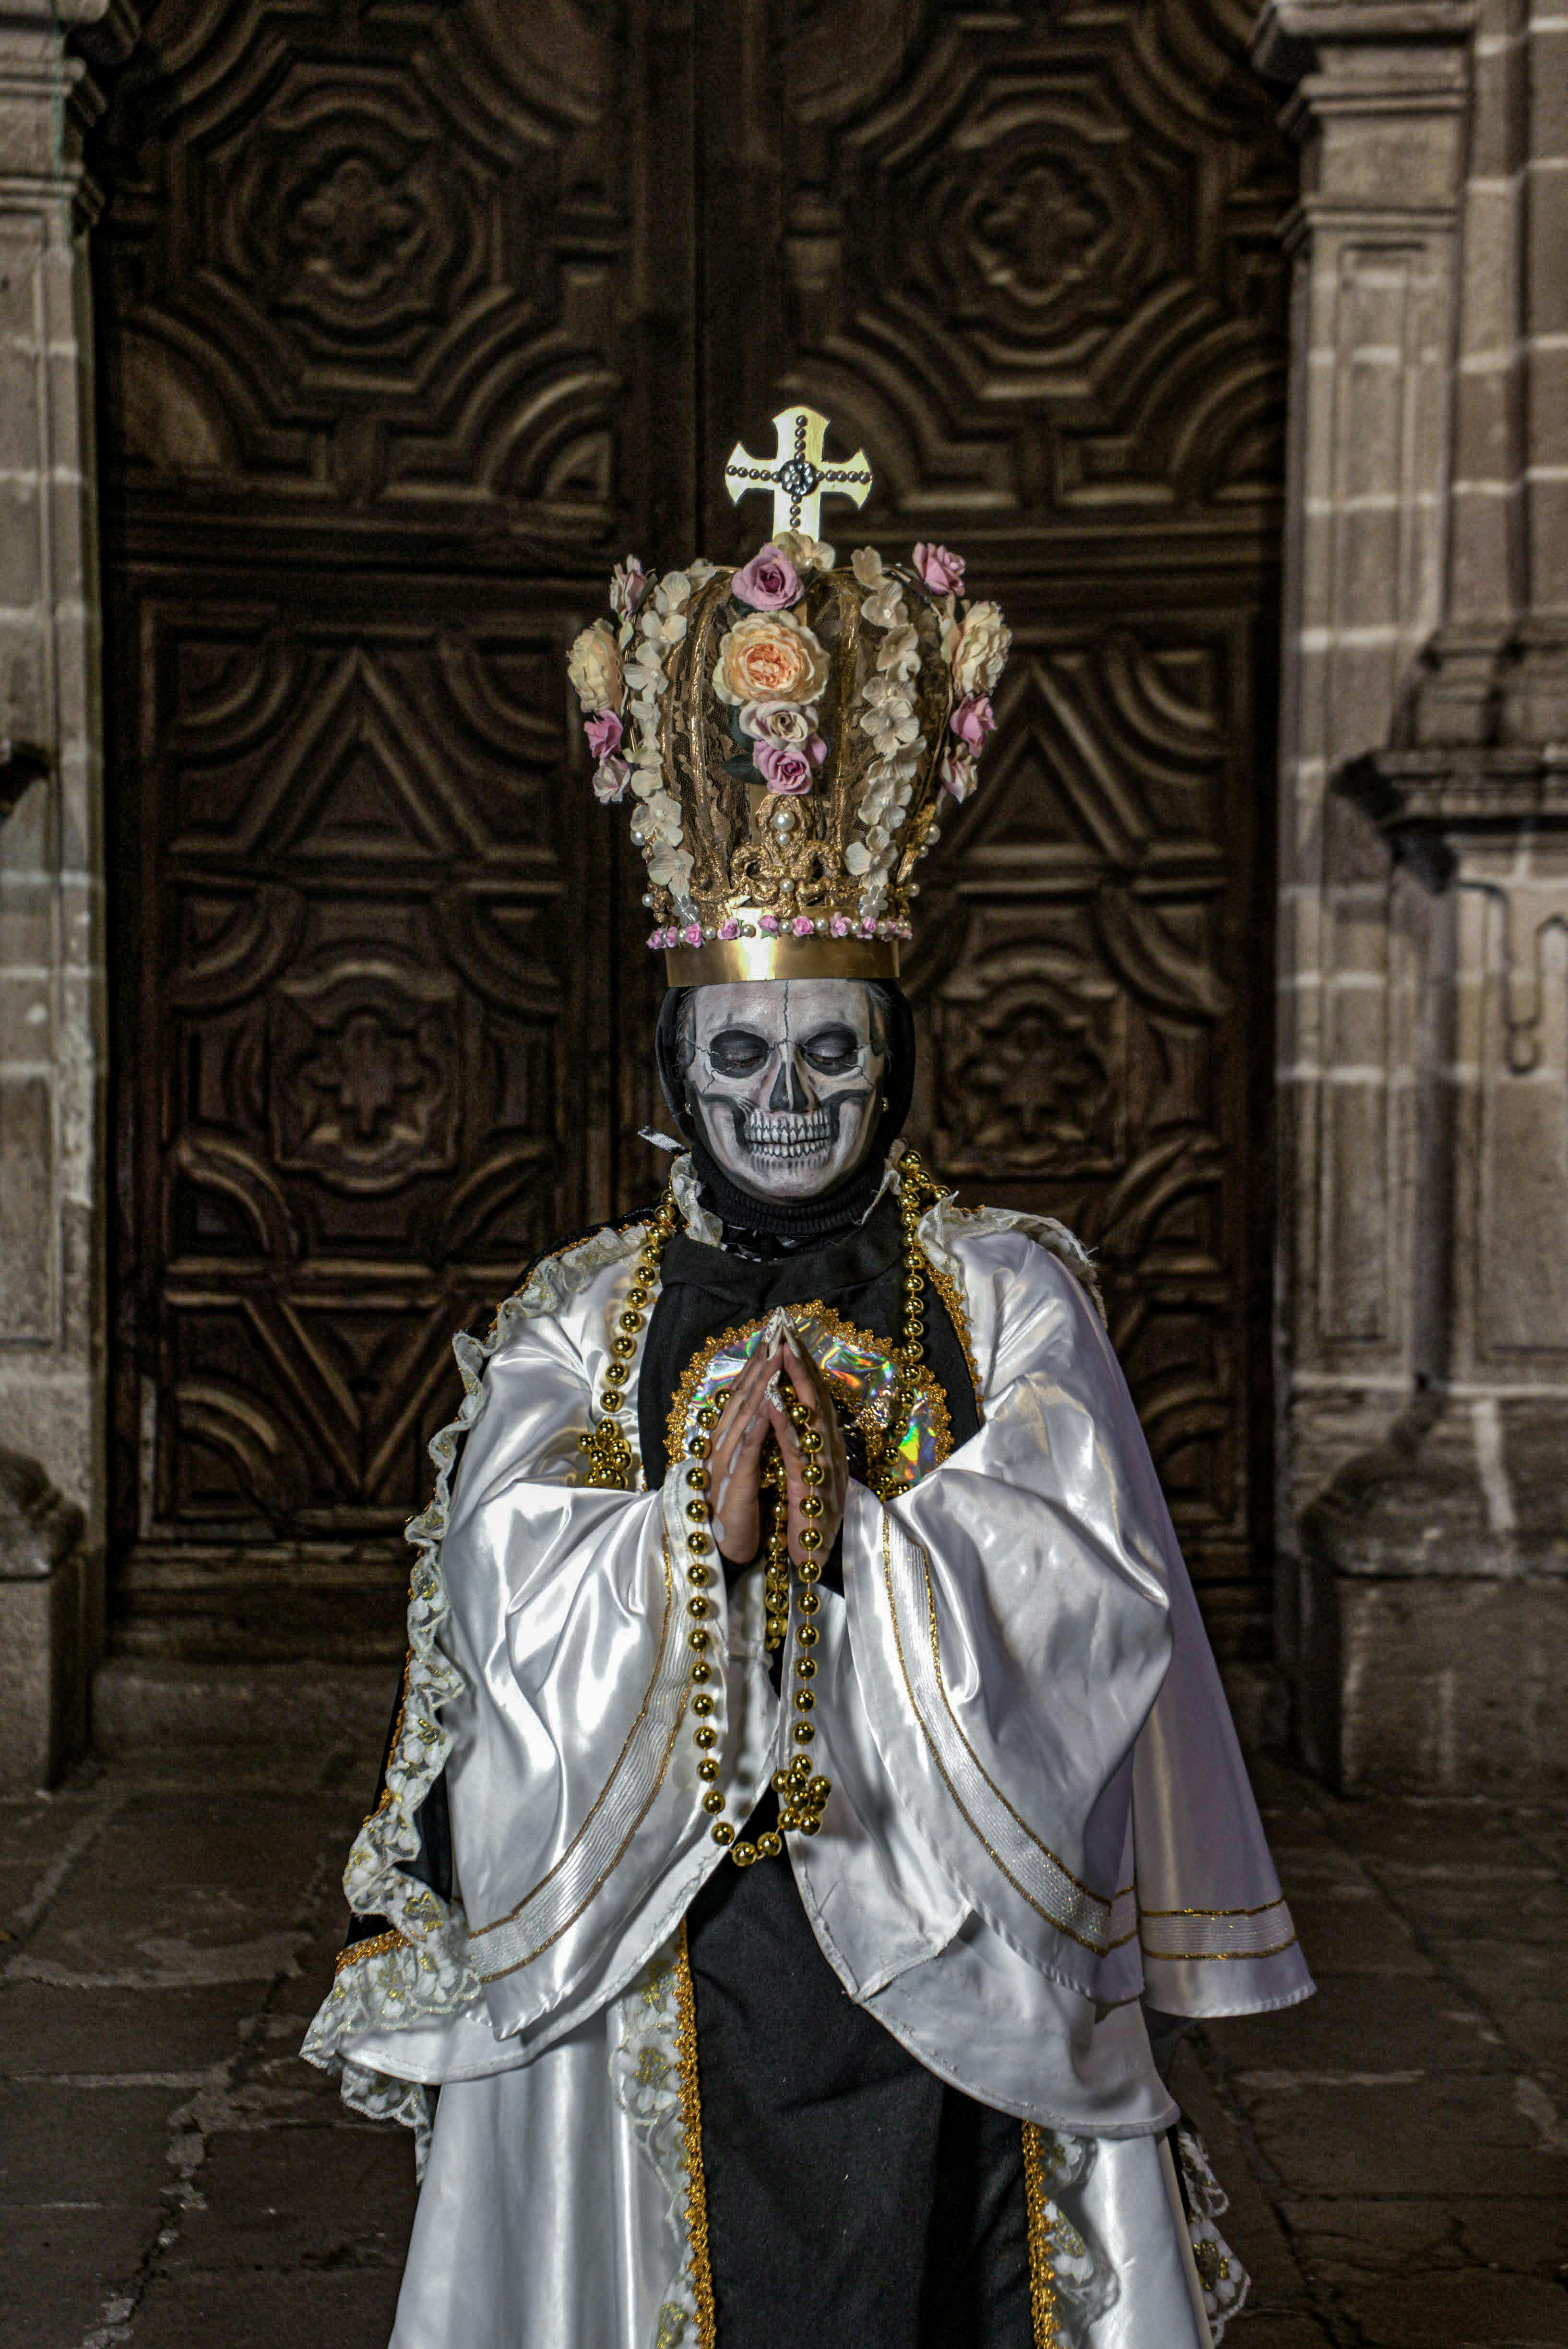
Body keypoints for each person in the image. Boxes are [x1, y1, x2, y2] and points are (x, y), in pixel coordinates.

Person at [304, 422, 1313, 2349]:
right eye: (741, 1062)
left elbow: (1087, 1574)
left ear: (896, 1060)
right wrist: (702, 1528)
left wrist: (868, 1536)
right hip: (655, 1970)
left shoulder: (1005, 1292)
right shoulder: (579, 1317)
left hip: (946, 1953)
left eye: (829, 1062)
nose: (782, 1106)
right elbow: (504, 1591)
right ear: (678, 1070)